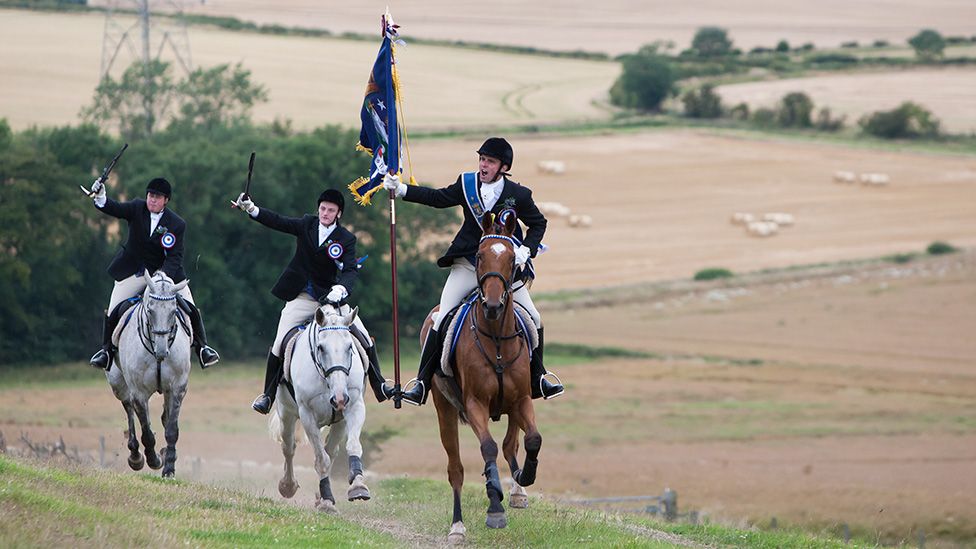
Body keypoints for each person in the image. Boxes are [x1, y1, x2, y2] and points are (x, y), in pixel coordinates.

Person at [383, 137, 564, 406]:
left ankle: (538, 376)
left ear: (503, 166)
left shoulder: (519, 195)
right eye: (481, 159)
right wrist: (402, 191)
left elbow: (539, 223)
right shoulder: (467, 184)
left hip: (502, 271)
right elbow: (437, 198)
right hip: (468, 264)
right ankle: (421, 382)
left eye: (489, 161)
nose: (483, 165)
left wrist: (527, 249)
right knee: (441, 316)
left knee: (534, 317)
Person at [234, 188, 395, 414]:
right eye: (322, 208)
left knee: (363, 336)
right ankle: (268, 396)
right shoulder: (307, 224)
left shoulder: (346, 239)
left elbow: (350, 270)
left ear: (338, 213)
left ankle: (380, 385)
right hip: (301, 296)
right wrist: (252, 209)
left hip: (330, 299)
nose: (325, 213)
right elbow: (279, 222)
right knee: (280, 342)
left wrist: (341, 288)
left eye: (330, 210)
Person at [88, 177, 220, 370]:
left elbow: (175, 256)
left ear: (166, 200)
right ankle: (106, 351)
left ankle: (203, 348)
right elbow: (113, 208)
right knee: (114, 308)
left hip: (165, 275)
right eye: (150, 195)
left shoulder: (177, 224)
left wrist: (162, 277)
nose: (152, 200)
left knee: (190, 308)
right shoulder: (136, 208)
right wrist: (100, 196)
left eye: (157, 197)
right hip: (135, 271)